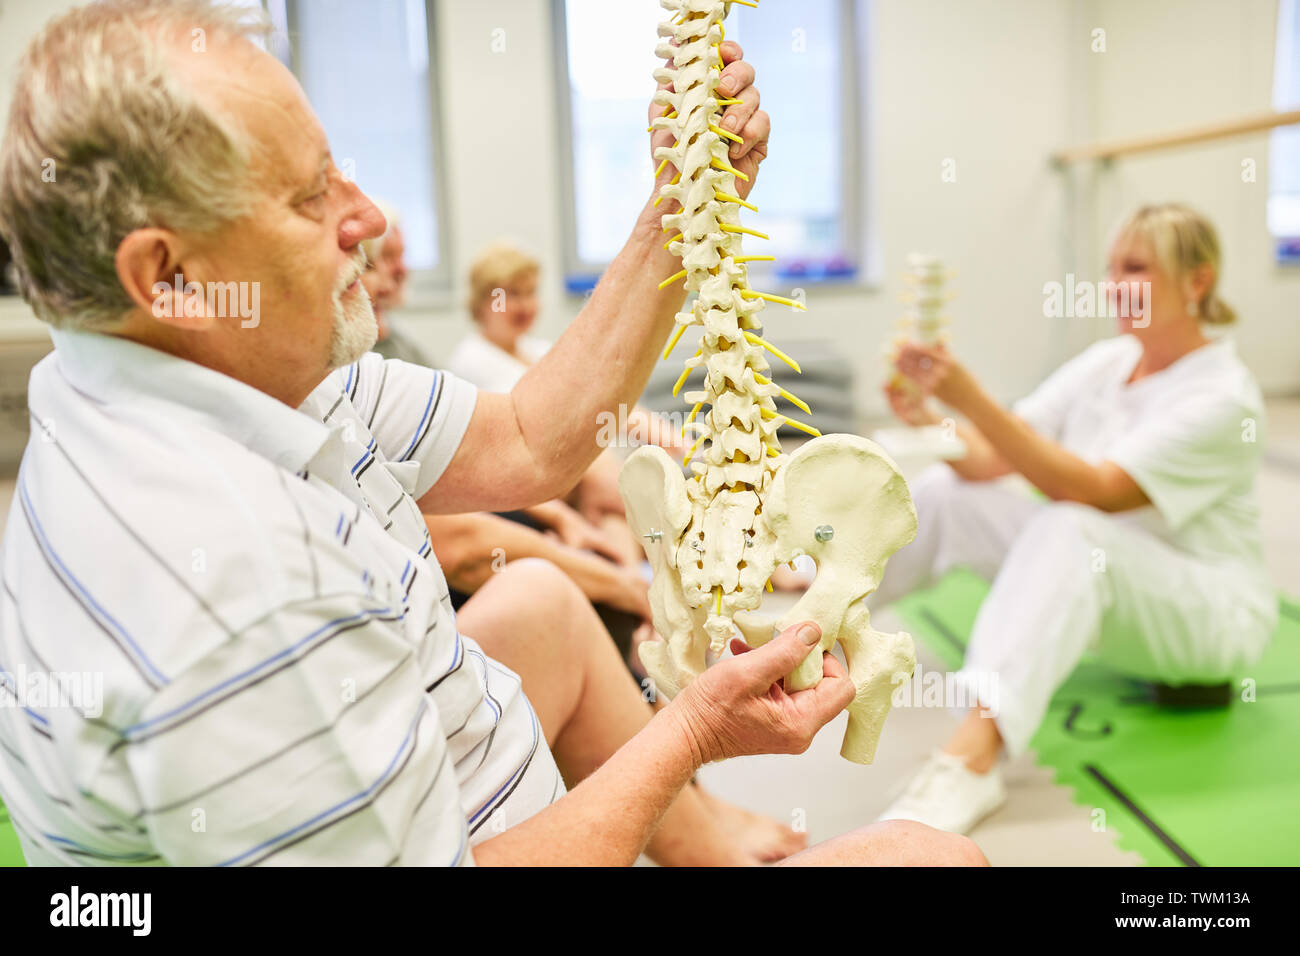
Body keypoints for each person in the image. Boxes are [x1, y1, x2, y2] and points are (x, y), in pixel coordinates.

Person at [0, 0, 982, 866]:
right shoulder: (234, 585)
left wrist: (681, 203)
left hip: (421, 777)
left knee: (543, 601)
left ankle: (703, 843)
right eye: (310, 197)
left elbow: (527, 436)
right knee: (934, 858)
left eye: (339, 169)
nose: (369, 217)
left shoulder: (238, 373)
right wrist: (688, 729)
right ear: (167, 275)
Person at [873, 203, 1277, 834]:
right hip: (1113, 571)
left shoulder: (1223, 397)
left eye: (1136, 268)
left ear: (1197, 282)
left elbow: (1094, 491)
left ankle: (972, 763)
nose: (1114, 285)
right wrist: (932, 418)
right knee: (948, 492)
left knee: (1070, 525)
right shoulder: (1108, 361)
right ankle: (814, 628)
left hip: (1208, 618)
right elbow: (988, 462)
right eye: (1112, 268)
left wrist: (971, 398)